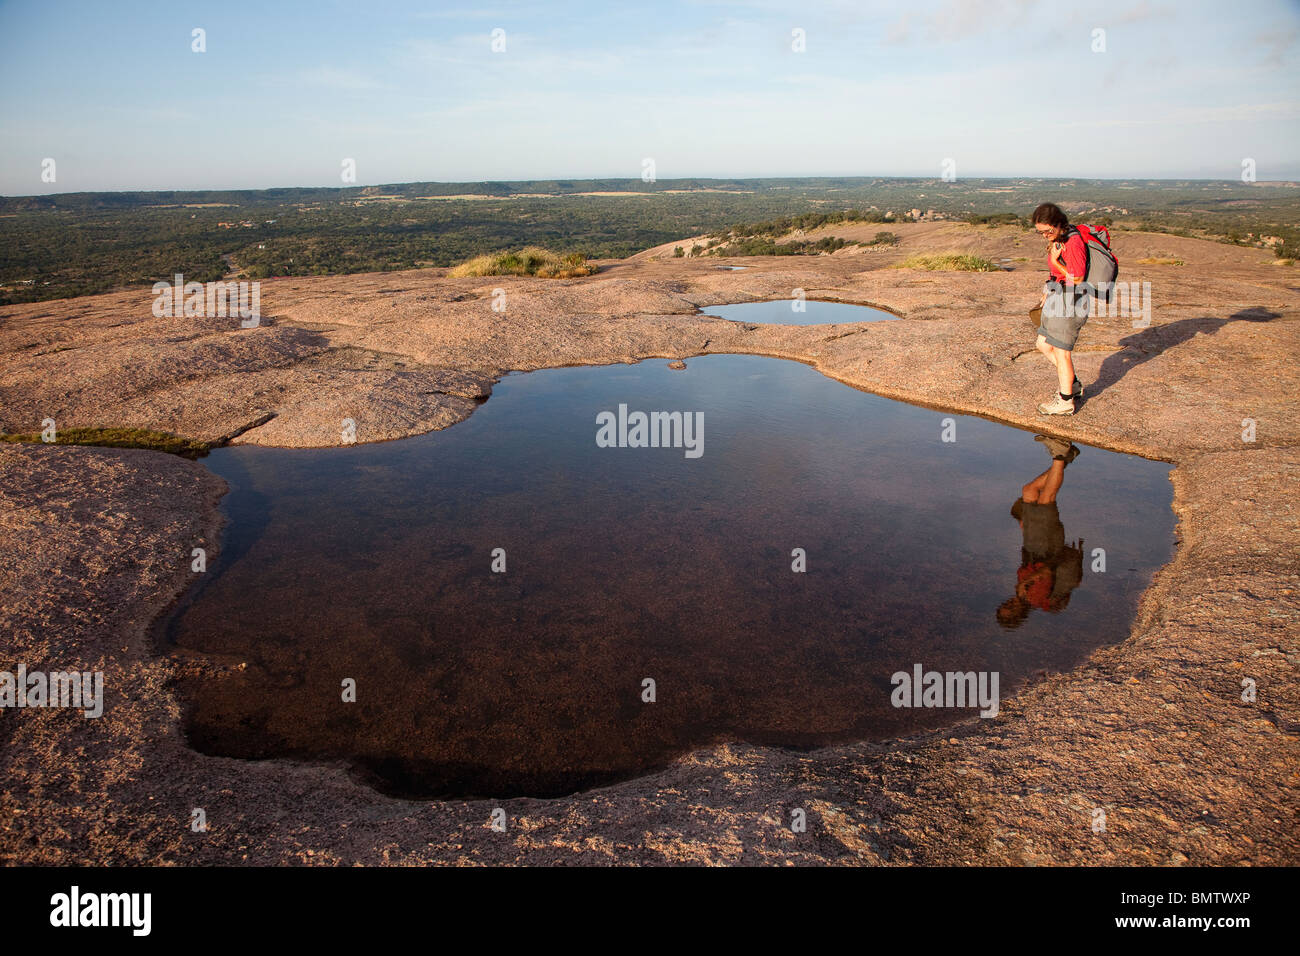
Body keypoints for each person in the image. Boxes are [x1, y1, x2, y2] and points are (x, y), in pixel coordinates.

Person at [996, 435, 1085, 628]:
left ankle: (1066, 457)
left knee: (1028, 491)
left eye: (1005, 605)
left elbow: (1027, 560)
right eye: (1010, 608)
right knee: (1047, 499)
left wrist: (1025, 528)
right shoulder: (1034, 597)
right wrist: (1025, 582)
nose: (1009, 603)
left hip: (1033, 540)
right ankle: (1060, 455)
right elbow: (1047, 569)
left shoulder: (1022, 593)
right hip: (1047, 545)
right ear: (1019, 614)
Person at [1030, 202, 1088, 415]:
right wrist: (1049, 289)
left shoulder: (1073, 243)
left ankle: (1065, 402)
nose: (1045, 235)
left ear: (1058, 224)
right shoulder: (1060, 239)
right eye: (1041, 232)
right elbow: (1059, 274)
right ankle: (1072, 384)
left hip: (1071, 301)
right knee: (1043, 343)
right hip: (1058, 296)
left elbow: (1078, 278)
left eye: (1047, 231)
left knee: (1062, 352)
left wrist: (1056, 260)